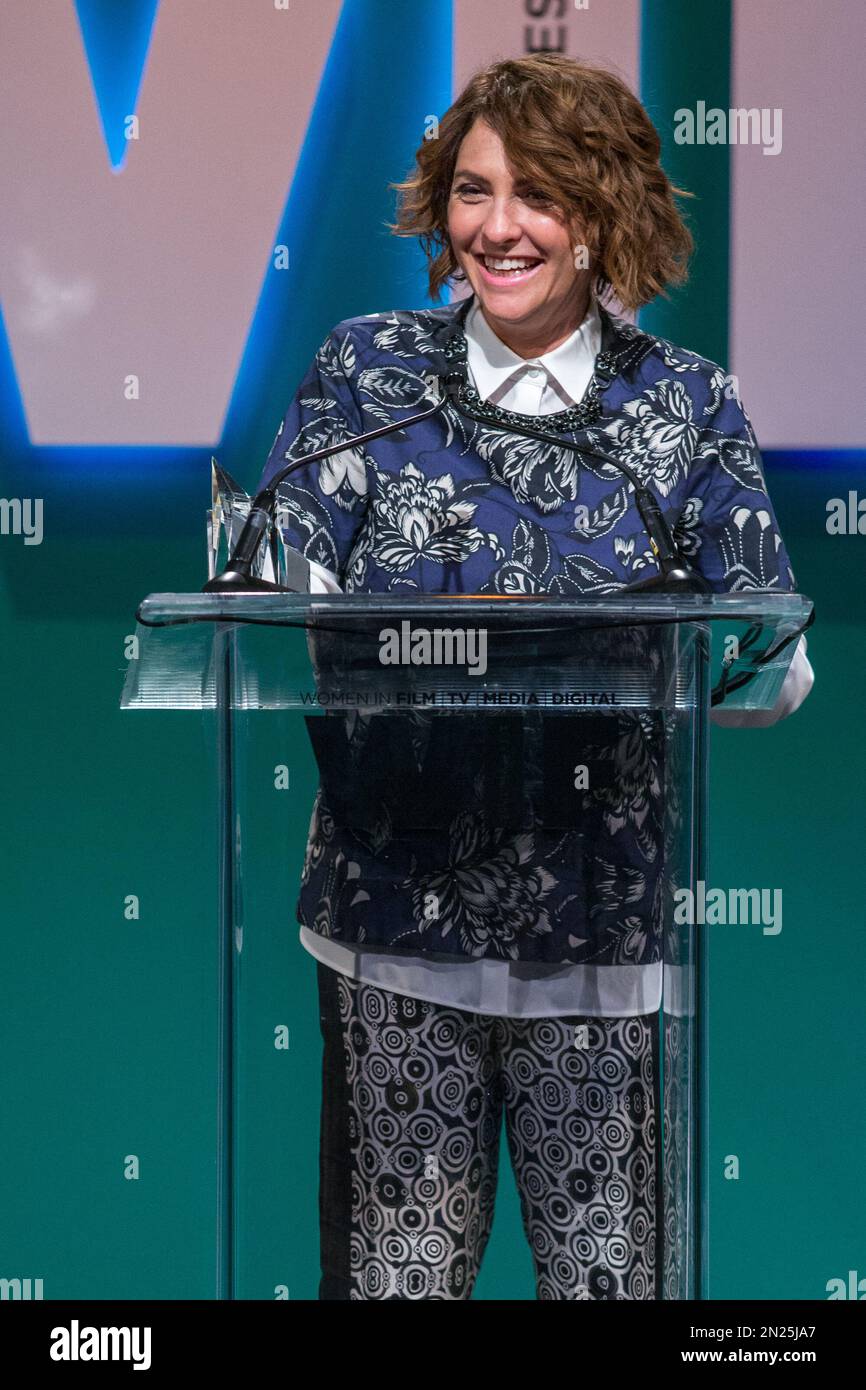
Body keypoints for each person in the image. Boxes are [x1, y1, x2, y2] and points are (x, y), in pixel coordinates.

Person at [256, 54, 813, 1300]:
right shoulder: (367, 380)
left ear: (605, 209)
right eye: (471, 189)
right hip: (389, 927)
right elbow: (274, 585)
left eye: (538, 193)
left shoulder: (683, 407)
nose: (496, 227)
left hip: (599, 941)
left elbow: (771, 669)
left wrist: (729, 657)